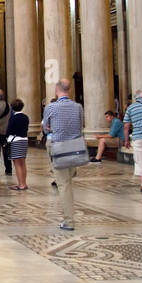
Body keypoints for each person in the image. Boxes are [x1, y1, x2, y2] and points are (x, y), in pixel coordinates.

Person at [41, 78, 84, 229]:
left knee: (64, 185)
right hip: (74, 148)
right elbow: (80, 126)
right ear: (69, 90)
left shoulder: (51, 108)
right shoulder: (78, 107)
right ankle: (69, 216)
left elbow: (46, 128)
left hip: (59, 148)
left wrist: (54, 129)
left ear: (56, 90)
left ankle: (69, 221)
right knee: (68, 182)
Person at [6, 98, 30, 190]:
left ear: (12, 108)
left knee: (17, 163)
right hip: (24, 140)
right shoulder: (25, 117)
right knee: (23, 163)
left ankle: (21, 184)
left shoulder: (13, 117)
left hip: (15, 141)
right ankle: (24, 182)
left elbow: (9, 130)